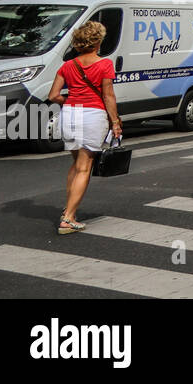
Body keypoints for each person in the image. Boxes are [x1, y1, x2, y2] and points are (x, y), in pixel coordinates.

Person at [46, 21, 122, 235]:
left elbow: (53, 96)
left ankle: (68, 210)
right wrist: (115, 122)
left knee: (76, 164)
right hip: (92, 115)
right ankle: (68, 218)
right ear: (97, 42)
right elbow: (108, 96)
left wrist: (69, 101)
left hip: (70, 114)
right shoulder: (104, 64)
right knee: (84, 167)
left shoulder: (67, 65)